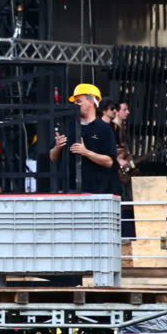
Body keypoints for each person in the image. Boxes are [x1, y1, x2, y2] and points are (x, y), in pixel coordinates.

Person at [49, 83, 120, 195]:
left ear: (91, 102)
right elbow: (52, 157)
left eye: (78, 101)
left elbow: (110, 162)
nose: (75, 105)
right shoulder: (68, 126)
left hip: (95, 192)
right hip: (68, 190)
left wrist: (86, 152)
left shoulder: (104, 128)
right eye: (74, 102)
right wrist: (57, 147)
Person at [114, 101, 137, 239]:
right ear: (116, 111)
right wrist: (119, 160)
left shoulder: (121, 128)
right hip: (118, 174)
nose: (128, 112)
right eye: (124, 109)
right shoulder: (113, 129)